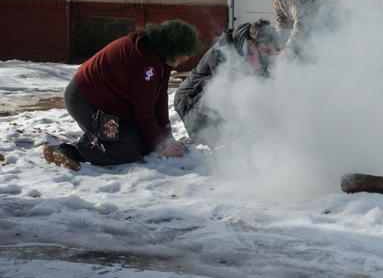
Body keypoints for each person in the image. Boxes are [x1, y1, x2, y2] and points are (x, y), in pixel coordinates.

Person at [42, 20, 205, 171]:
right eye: (184, 53)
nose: (187, 58)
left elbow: (159, 98)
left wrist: (166, 137)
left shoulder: (160, 56)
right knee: (127, 150)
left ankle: (98, 136)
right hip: (86, 103)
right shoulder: (145, 63)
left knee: (144, 140)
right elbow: (143, 108)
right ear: (171, 47)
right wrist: (161, 143)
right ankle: (71, 151)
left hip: (112, 107)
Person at [174, 20, 279, 142]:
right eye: (266, 51)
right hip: (190, 101)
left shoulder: (258, 55)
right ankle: (199, 137)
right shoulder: (223, 52)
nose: (269, 56)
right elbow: (229, 94)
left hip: (212, 101)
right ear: (250, 43)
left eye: (273, 52)